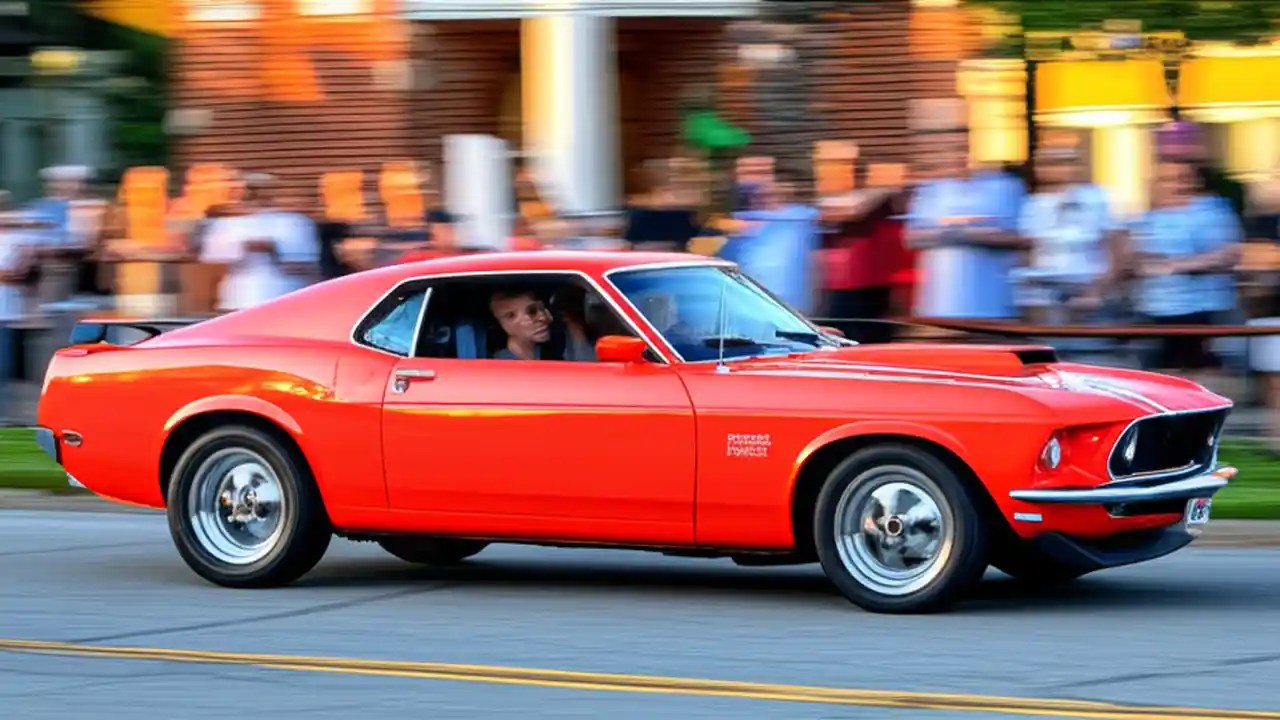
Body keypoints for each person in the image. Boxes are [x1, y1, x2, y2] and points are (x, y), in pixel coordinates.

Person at [489, 288, 553, 360]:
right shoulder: (498, 366)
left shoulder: (553, 352)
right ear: (507, 323)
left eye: (542, 308)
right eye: (532, 312)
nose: (543, 318)